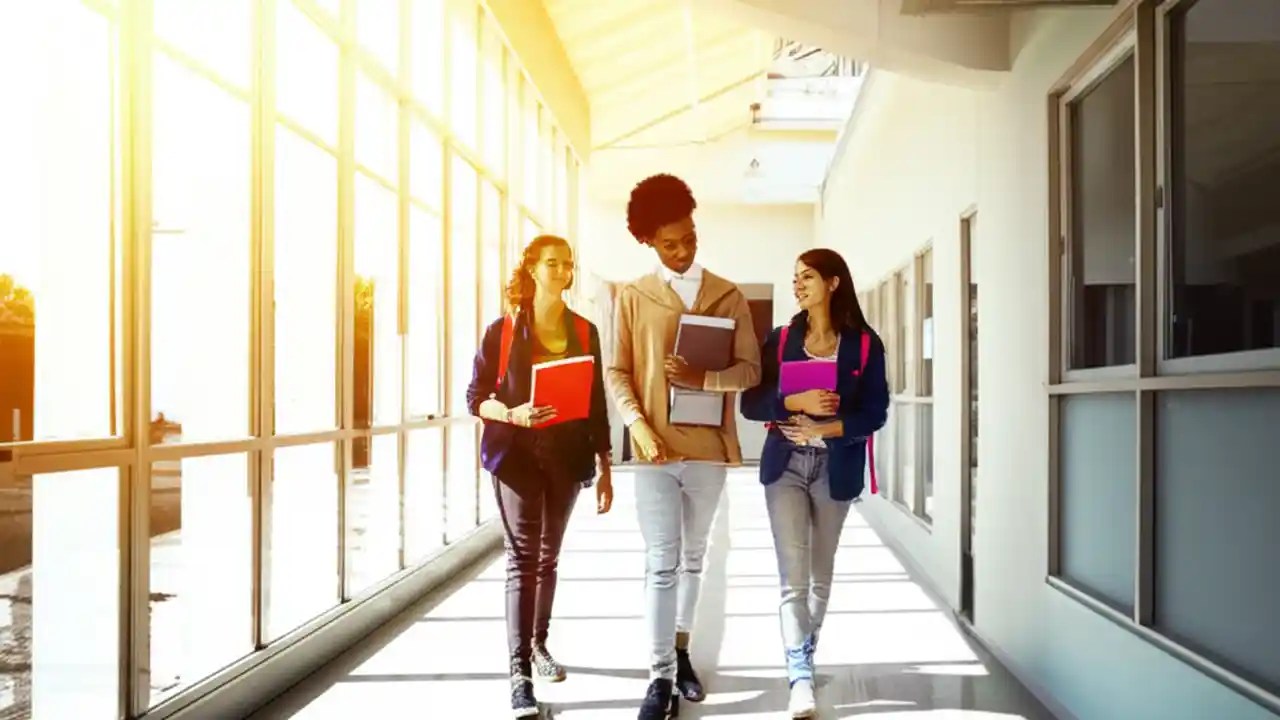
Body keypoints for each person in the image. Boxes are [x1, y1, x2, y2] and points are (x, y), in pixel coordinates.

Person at [605, 173, 762, 719]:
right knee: (661, 563)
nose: (682, 250)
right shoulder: (633, 296)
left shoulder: (728, 295)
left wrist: (702, 377)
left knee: (693, 559)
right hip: (653, 452)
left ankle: (681, 651)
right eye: (670, 243)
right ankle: (658, 677)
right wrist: (638, 428)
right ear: (648, 239)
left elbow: (750, 369)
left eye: (689, 238)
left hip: (709, 452)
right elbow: (618, 372)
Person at [467, 234, 614, 718]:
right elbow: (476, 398)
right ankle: (519, 673)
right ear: (531, 268)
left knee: (548, 556)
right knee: (523, 557)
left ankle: (539, 644)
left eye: (568, 264)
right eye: (552, 263)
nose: (562, 271)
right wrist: (514, 414)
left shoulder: (585, 330)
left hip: (567, 457)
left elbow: (595, 405)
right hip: (517, 456)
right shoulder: (504, 331)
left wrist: (606, 464)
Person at [740, 248, 889, 718]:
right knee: (793, 577)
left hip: (834, 467)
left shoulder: (865, 345)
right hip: (783, 465)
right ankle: (799, 675)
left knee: (820, 576)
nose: (798, 285)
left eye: (807, 277)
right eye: (795, 278)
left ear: (833, 283)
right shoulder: (781, 340)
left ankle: (804, 646)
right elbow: (751, 403)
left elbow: (875, 412)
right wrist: (793, 400)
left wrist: (825, 427)